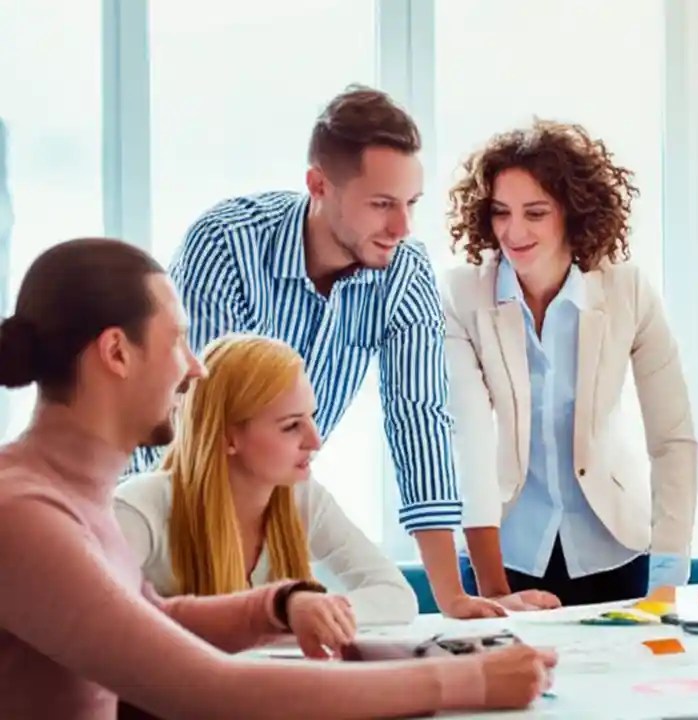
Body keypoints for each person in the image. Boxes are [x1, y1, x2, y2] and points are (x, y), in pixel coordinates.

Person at [0, 238, 557, 719]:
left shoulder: (71, 495)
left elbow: (154, 618)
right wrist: (471, 681)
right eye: (177, 341)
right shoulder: (23, 514)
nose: (194, 368)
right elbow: (205, 691)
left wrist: (278, 605)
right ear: (116, 352)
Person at [127, 85, 535, 618]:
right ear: (319, 185)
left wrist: (453, 598)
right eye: (382, 204)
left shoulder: (403, 272)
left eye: (411, 204)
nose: (402, 228)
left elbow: (421, 421)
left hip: (262, 500)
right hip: (166, 508)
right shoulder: (228, 243)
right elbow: (202, 413)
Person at [443, 120, 698, 607]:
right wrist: (494, 594)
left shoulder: (628, 291)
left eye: (535, 213)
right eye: (500, 212)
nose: (513, 232)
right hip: (502, 548)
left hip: (614, 547)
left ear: (573, 215)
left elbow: (672, 439)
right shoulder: (462, 297)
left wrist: (667, 580)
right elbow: (468, 441)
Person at [115, 333, 418, 629]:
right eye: (291, 426)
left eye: (311, 417)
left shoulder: (303, 498)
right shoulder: (140, 508)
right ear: (228, 437)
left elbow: (395, 595)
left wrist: (315, 612)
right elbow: (107, 620)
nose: (315, 441)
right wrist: (282, 612)